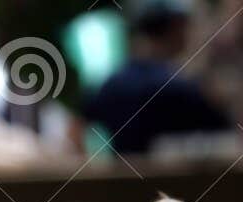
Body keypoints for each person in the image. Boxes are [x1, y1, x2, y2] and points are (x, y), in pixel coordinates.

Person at [84, 0, 230, 156]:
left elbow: (81, 123)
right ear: (175, 28)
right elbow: (224, 119)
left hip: (120, 177)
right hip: (173, 179)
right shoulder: (181, 89)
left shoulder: (110, 85)